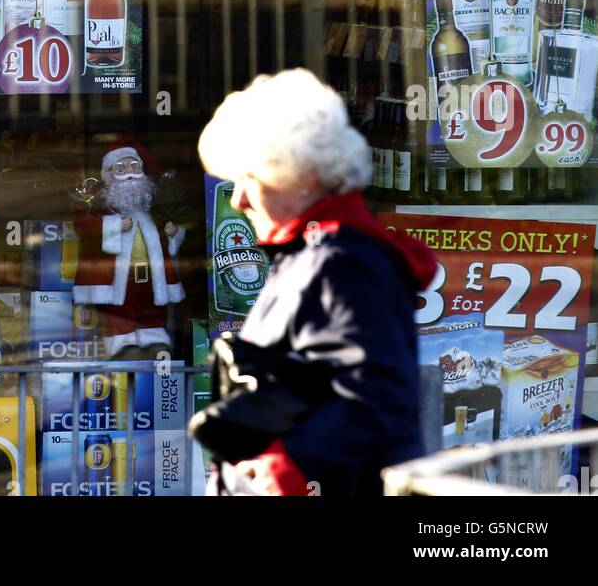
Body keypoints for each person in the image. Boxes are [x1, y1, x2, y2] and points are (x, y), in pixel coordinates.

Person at [189, 70, 437, 496]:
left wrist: (286, 469)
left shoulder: (336, 262)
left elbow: (376, 398)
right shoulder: (316, 255)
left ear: (300, 176)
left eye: (251, 179)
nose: (238, 200)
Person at [72, 139, 186, 358]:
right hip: (116, 273)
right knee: (119, 308)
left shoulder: (151, 211)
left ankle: (153, 338)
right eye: (121, 168)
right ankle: (123, 342)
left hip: (150, 273)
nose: (129, 173)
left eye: (134, 167)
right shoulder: (103, 208)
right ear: (109, 174)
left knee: (151, 306)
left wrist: (174, 234)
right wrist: (114, 226)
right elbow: (85, 228)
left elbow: (165, 236)